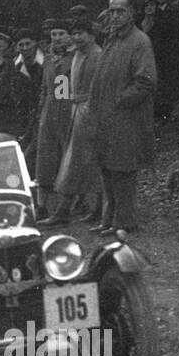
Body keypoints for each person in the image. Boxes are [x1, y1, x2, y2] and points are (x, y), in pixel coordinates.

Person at [86, 0, 156, 234]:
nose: (114, 16)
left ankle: (124, 222)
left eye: (120, 11)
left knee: (123, 171)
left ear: (131, 13)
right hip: (105, 117)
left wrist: (119, 100)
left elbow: (145, 81)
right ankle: (108, 220)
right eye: (111, 11)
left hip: (126, 118)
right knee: (107, 169)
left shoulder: (140, 42)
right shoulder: (112, 39)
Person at [55, 19, 104, 224]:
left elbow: (100, 87)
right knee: (74, 160)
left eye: (81, 33)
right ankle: (67, 208)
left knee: (90, 161)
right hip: (75, 110)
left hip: (90, 111)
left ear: (92, 34)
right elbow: (62, 87)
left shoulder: (97, 55)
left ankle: (98, 207)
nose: (77, 37)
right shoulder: (76, 55)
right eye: (74, 33)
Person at [33, 22, 74, 223]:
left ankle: (66, 207)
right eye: (54, 34)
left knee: (67, 155)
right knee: (45, 156)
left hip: (67, 108)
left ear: (68, 36)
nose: (57, 37)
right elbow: (45, 88)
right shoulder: (48, 59)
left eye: (61, 33)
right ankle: (41, 206)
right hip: (50, 109)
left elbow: (63, 89)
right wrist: (41, 111)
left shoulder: (74, 57)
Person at [11, 28, 44, 149]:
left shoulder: (47, 61)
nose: (25, 48)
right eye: (21, 45)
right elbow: (15, 90)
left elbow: (60, 92)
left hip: (44, 111)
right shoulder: (16, 65)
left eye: (28, 44)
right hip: (26, 114)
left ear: (35, 43)